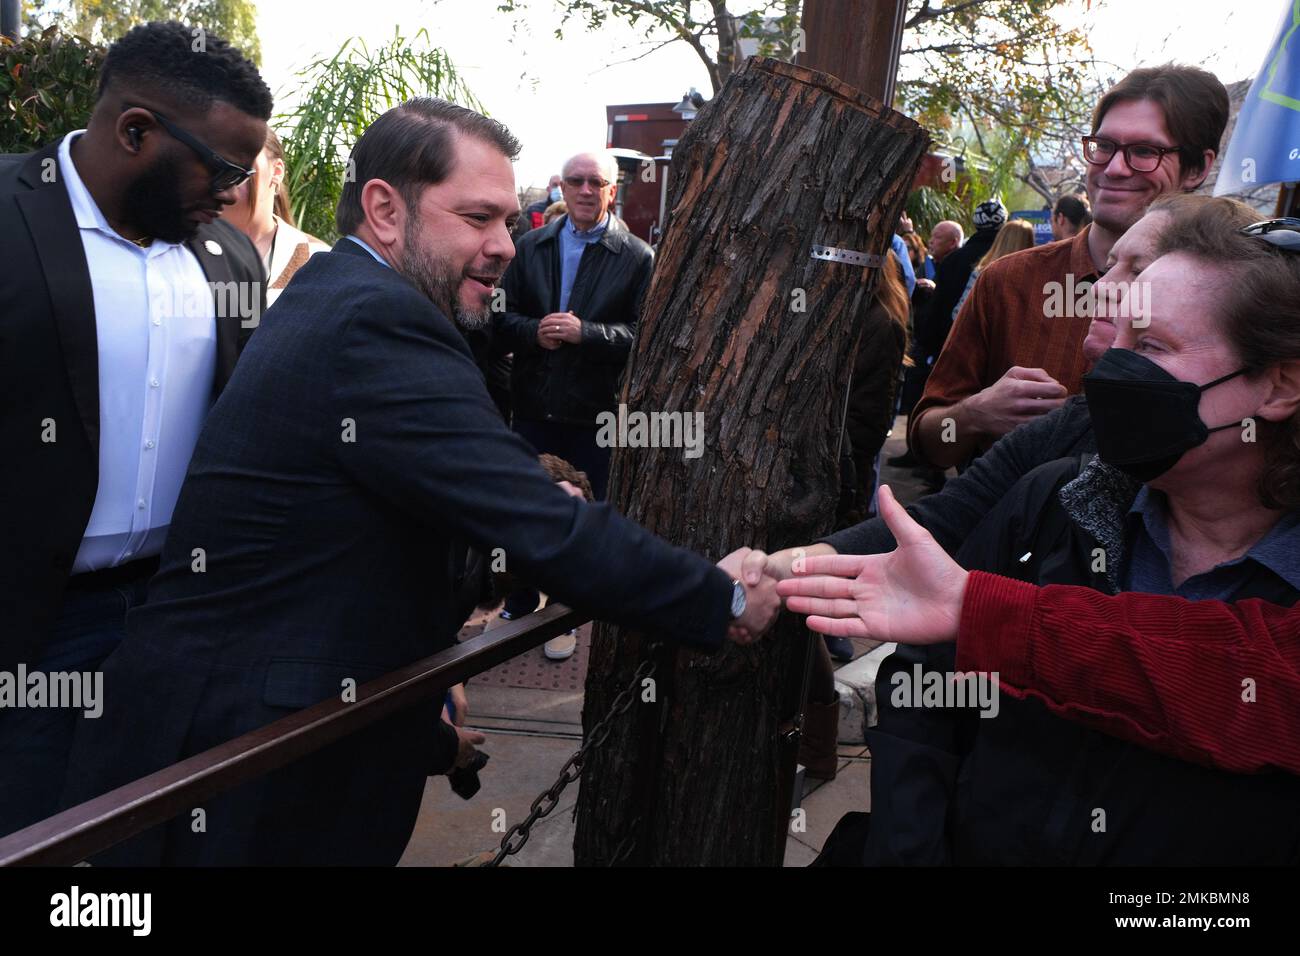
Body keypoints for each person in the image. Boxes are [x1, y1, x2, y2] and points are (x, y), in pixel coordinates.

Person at [61, 98, 781, 867]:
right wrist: (720, 597)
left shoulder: (352, 296)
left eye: (508, 220)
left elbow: (384, 529)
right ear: (385, 210)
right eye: (477, 218)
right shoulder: (376, 320)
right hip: (256, 760)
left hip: (284, 736)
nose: (506, 246)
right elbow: (534, 519)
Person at [781, 211, 1300, 864]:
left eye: (1151, 347)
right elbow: (925, 701)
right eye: (1120, 334)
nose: (1113, 365)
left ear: (1280, 385)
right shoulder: (1055, 498)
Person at [0, 20, 271, 838]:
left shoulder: (227, 257)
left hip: (174, 617)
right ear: (136, 131)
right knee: (30, 836)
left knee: (148, 837)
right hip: (31, 633)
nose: (234, 192)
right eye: (224, 168)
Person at [909, 64, 1229, 471]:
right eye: (1104, 146)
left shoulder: (1227, 302)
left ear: (1198, 168)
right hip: (1003, 529)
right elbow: (928, 442)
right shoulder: (1008, 283)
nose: (1114, 167)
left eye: (1145, 151)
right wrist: (974, 414)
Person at [492, 150, 653, 659]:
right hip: (534, 405)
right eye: (576, 181)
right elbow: (501, 316)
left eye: (595, 182)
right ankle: (518, 598)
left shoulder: (635, 256)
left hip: (595, 414)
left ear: (613, 189)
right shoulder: (531, 245)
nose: (585, 190)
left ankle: (561, 612)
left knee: (582, 513)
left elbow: (645, 336)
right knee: (521, 505)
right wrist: (532, 332)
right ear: (562, 186)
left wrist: (590, 334)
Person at [223, 128, 329, 305]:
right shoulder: (184, 251)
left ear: (276, 172)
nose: (225, 179)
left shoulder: (317, 259)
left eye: (241, 167)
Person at [949, 218, 1036, 320]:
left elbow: (959, 313)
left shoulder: (983, 272)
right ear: (1029, 243)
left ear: (1000, 239)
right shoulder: (1035, 277)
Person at [513, 173, 562, 237]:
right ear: (548, 188)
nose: (559, 189)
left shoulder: (573, 211)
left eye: (561, 185)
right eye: (555, 185)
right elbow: (525, 236)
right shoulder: (534, 209)